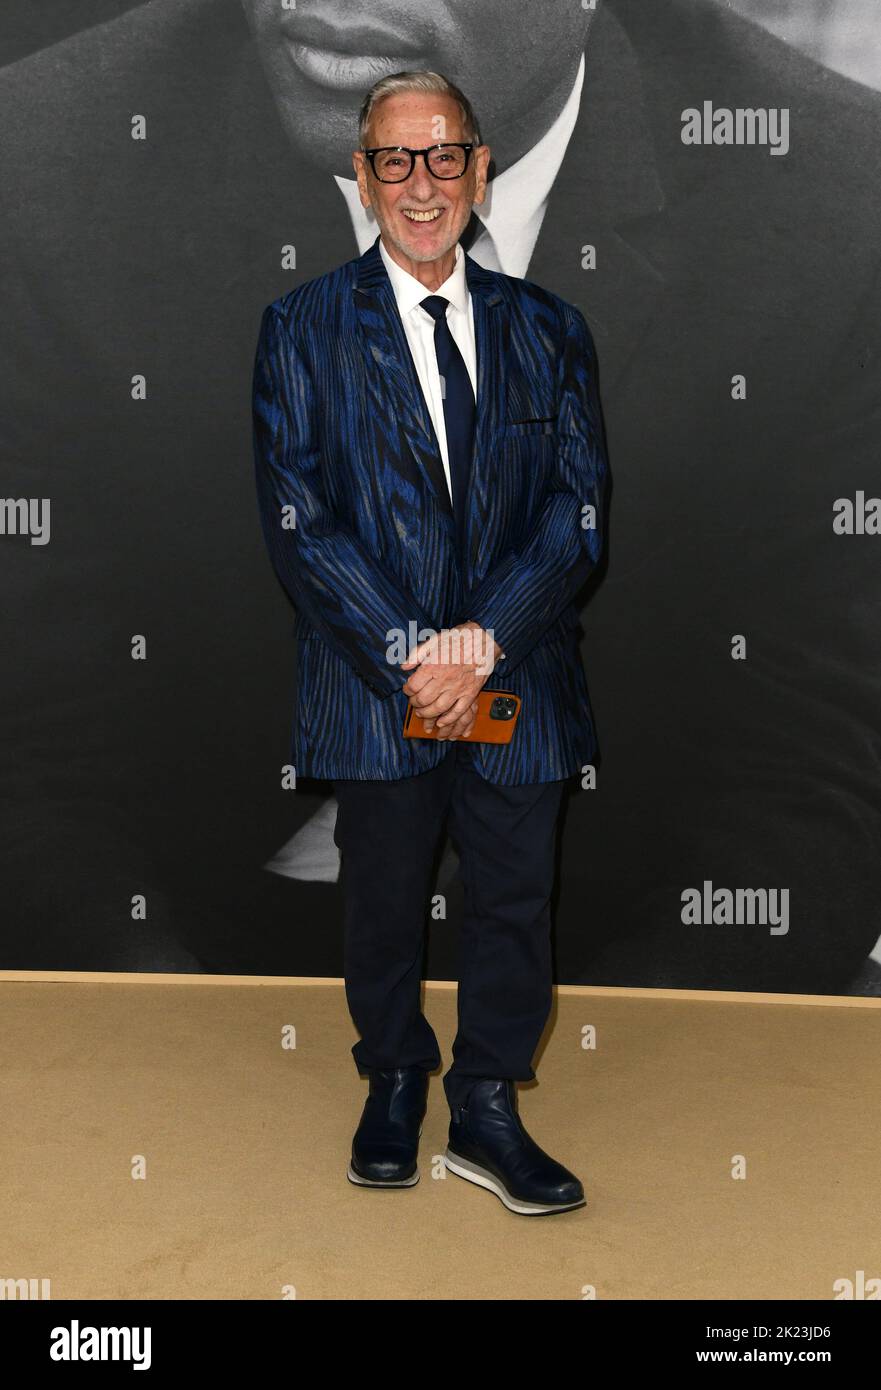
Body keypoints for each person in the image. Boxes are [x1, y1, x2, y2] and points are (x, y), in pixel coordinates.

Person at [251, 71, 609, 1215]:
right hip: (376, 683)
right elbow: (300, 520)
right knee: (383, 903)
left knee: (512, 901)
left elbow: (577, 512)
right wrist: (417, 653)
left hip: (517, 679)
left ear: (478, 169)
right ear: (362, 178)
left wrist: (481, 643)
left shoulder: (552, 330)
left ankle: (490, 1103)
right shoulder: (300, 329)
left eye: (442, 156)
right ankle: (394, 1080)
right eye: (395, 160)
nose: (420, 183)